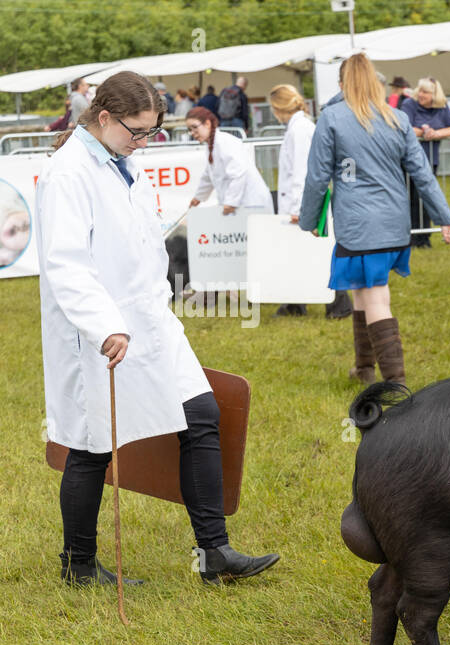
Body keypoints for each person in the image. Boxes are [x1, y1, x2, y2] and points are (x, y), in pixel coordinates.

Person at [37, 71, 278, 586]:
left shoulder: (124, 162)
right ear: (104, 117)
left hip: (151, 321)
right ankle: (79, 565)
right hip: (99, 330)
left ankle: (214, 553)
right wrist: (105, 326)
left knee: (202, 413)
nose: (143, 143)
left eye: (151, 134)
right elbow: (65, 264)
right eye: (136, 132)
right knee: (92, 441)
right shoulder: (69, 172)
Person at [299, 53, 450, 386]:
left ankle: (396, 384)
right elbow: (423, 176)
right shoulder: (398, 118)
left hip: (359, 226)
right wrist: (445, 217)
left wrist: (309, 220)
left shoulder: (332, 118)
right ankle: (363, 368)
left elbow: (317, 177)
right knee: (362, 292)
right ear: (375, 82)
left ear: (342, 84)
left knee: (374, 296)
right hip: (393, 224)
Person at [267, 84, 315, 316]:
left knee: (310, 254)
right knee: (297, 254)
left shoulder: (299, 129)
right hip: (297, 200)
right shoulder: (298, 127)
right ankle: (295, 303)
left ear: (278, 107)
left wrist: (297, 208)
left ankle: (338, 303)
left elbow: (302, 171)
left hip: (299, 202)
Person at [400, 77, 450, 249]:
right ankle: (410, 238)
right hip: (408, 161)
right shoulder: (409, 105)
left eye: (425, 92)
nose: (421, 95)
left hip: (430, 160)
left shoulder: (441, 107)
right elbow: (403, 127)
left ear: (434, 94)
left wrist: (436, 133)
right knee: (411, 200)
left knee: (427, 200)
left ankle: (424, 238)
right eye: (420, 90)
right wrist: (423, 131)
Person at [185, 106, 274, 216]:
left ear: (207, 124)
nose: (193, 133)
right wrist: (198, 197)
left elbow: (239, 173)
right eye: (189, 129)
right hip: (241, 205)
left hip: (252, 203)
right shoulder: (211, 146)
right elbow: (208, 176)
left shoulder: (225, 142)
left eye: (194, 127)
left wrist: (231, 202)